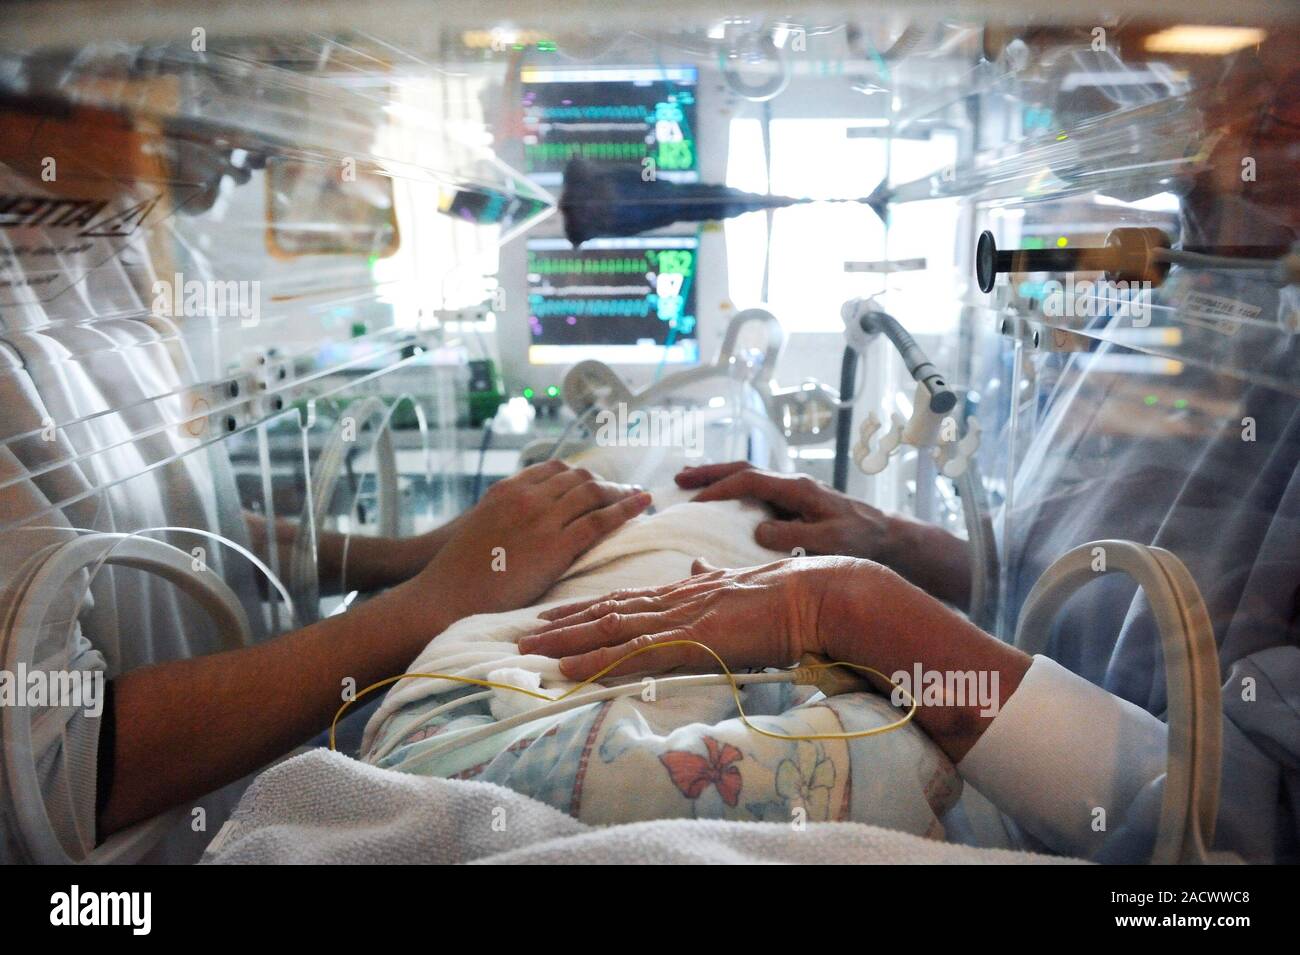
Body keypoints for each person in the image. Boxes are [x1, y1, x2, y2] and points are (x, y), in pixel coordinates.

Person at [95, 460, 650, 839]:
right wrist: (439, 598)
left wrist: (418, 558)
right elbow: (63, 762)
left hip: (238, 802)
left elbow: (199, 534)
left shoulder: (131, 300)